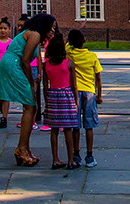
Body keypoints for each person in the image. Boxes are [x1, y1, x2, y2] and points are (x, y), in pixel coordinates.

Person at [0, 12, 56, 166]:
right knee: (30, 106)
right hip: (13, 65)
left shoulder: (30, 33)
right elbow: (25, 61)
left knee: (30, 106)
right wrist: (30, 83)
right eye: (51, 28)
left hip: (10, 62)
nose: (52, 31)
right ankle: (21, 149)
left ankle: (24, 149)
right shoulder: (35, 35)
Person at [66, 28, 103, 168]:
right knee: (89, 126)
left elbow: (67, 45)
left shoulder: (70, 54)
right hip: (89, 92)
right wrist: (99, 95)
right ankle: (89, 155)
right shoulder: (92, 56)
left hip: (74, 92)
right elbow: (98, 78)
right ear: (84, 41)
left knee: (75, 125)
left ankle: (76, 154)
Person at [42, 32, 79, 169]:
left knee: (54, 130)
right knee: (68, 128)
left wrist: (46, 100)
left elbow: (45, 86)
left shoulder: (46, 65)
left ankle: (55, 159)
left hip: (52, 96)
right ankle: (70, 160)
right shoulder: (69, 64)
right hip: (66, 95)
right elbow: (74, 85)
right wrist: (76, 101)